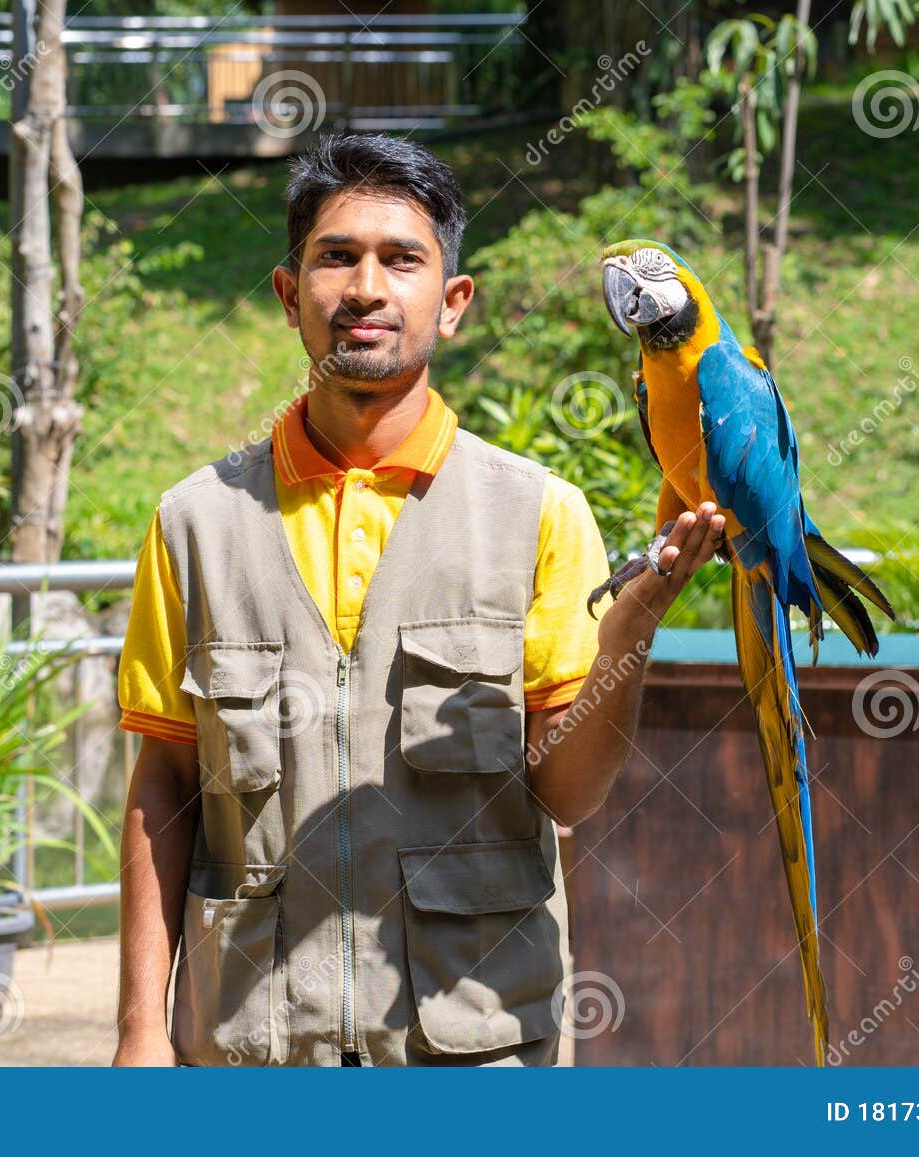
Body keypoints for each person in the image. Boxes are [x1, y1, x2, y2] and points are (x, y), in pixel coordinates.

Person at [113, 131, 725, 1067]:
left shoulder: (539, 515)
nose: (366, 288)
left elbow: (567, 791)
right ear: (289, 295)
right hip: (248, 1050)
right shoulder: (195, 523)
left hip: (472, 1053)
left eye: (402, 259)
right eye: (335, 257)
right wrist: (137, 1036)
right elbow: (162, 782)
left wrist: (627, 638)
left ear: (453, 302)